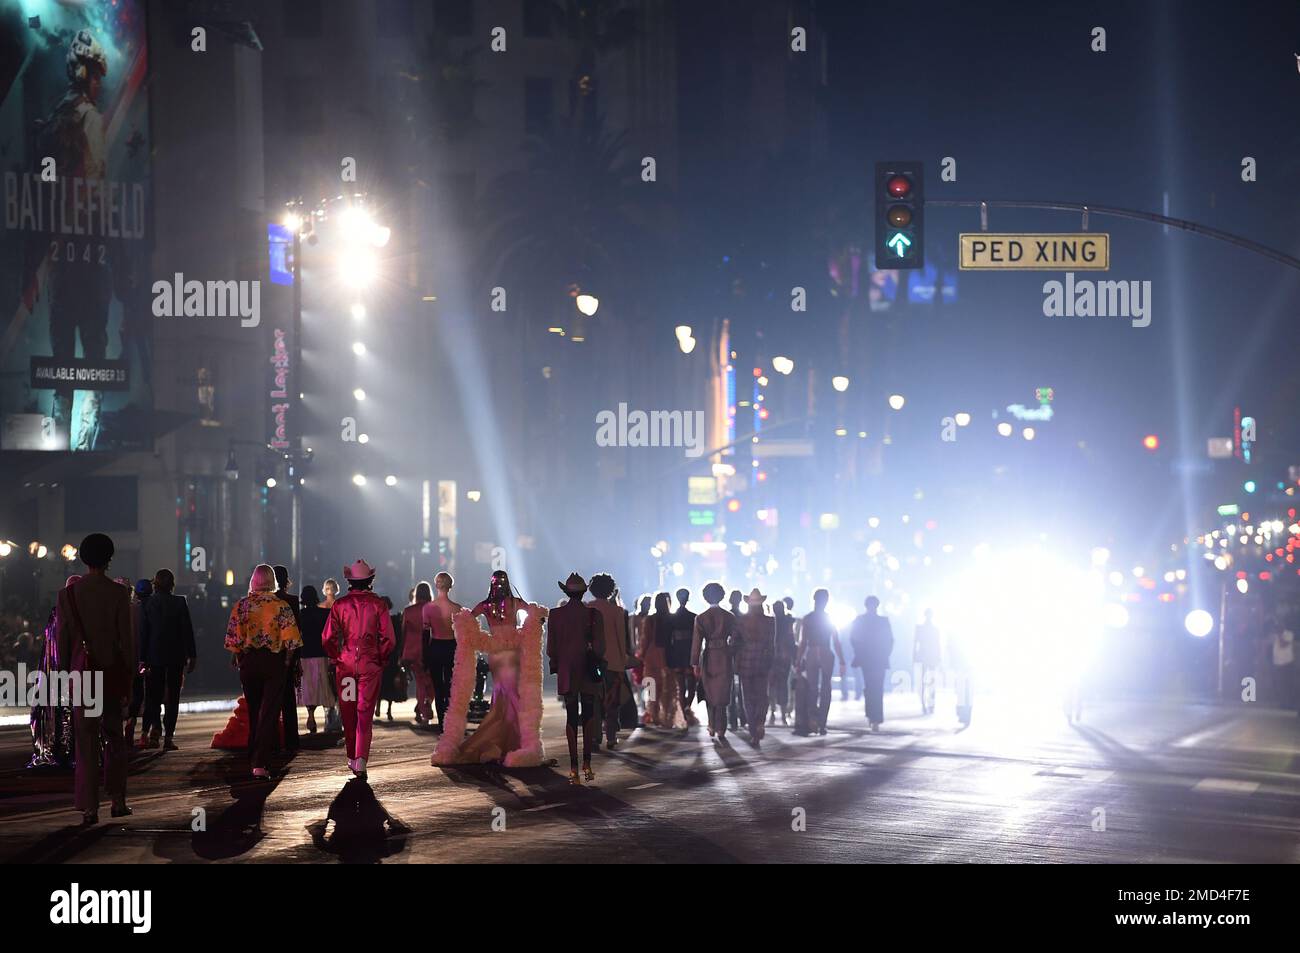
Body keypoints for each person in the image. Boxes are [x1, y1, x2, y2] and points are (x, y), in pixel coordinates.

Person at [432, 570, 546, 767]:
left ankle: (504, 739)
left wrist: (465, 628)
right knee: (512, 695)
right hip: (512, 653)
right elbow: (535, 614)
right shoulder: (514, 602)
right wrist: (536, 621)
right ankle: (515, 740)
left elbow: (467, 617)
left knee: (502, 695)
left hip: (496, 654)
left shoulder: (486, 605)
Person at [57, 534, 133, 823]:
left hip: (82, 676)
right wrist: (130, 678)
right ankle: (118, 799)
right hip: (111, 673)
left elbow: (63, 640)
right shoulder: (117, 593)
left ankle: (89, 807)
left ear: (82, 559)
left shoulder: (68, 595)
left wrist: (65, 676)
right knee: (115, 738)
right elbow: (126, 640)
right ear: (109, 558)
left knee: (86, 742)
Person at [225, 564, 302, 779]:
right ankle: (260, 762)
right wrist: (287, 662)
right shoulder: (280, 606)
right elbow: (292, 640)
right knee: (268, 714)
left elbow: (233, 639)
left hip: (249, 662)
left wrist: (240, 657)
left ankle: (253, 754)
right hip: (273, 663)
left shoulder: (242, 606)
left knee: (254, 709)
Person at [322, 560, 396, 779]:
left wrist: (336, 656)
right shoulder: (379, 604)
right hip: (369, 665)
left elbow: (328, 637)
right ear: (370, 580)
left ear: (349, 581)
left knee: (348, 711)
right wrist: (381, 658)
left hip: (345, 666)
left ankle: (352, 757)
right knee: (364, 713)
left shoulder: (339, 605)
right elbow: (389, 639)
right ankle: (361, 759)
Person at [548, 573, 606, 784]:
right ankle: (587, 764)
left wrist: (557, 663)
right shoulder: (594, 615)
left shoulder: (555, 614)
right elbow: (600, 648)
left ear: (566, 592)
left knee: (571, 717)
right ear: (584, 592)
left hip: (566, 670)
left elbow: (551, 648)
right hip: (588, 669)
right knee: (589, 715)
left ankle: (573, 769)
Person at [139, 568, 196, 751]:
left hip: (153, 655)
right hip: (175, 655)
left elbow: (144, 633)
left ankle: (155, 729)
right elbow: (187, 630)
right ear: (172, 584)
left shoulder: (147, 603)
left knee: (153, 696)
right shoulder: (180, 602)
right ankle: (169, 736)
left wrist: (142, 658)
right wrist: (191, 654)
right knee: (173, 696)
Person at [28, 575, 80, 768]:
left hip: (60, 671)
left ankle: (62, 749)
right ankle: (72, 751)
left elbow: (52, 644)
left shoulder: (58, 612)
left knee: (62, 710)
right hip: (76, 668)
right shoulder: (82, 612)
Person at [589, 573, 632, 749]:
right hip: (613, 661)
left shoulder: (587, 609)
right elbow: (621, 639)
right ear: (610, 590)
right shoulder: (617, 611)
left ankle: (595, 736)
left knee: (594, 700)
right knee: (612, 700)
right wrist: (622, 662)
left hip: (592, 660)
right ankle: (612, 737)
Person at [691, 582, 737, 739]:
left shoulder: (701, 618)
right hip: (724, 656)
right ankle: (721, 728)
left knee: (710, 693)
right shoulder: (729, 616)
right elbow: (736, 639)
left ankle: (711, 725)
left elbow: (696, 643)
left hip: (709, 656)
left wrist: (695, 663)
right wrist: (731, 652)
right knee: (723, 693)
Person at [795, 589, 844, 736]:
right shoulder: (829, 619)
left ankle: (813, 720)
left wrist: (798, 660)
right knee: (825, 688)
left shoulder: (808, 618)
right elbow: (836, 641)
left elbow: (803, 642)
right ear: (826, 601)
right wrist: (842, 660)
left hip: (811, 652)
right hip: (825, 652)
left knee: (812, 688)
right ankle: (822, 723)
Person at [421, 572, 462, 731]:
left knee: (438, 688)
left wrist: (424, 657)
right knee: (451, 686)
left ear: (436, 584)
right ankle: (451, 721)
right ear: (450, 586)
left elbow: (425, 635)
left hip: (435, 648)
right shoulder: (457, 608)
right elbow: (461, 635)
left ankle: (442, 724)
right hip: (452, 648)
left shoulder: (428, 608)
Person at [736, 589, 775, 747]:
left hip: (745, 661)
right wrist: (771, 664)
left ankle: (754, 731)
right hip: (762, 661)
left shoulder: (742, 620)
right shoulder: (769, 621)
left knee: (748, 699)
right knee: (762, 697)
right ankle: (760, 722)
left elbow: (735, 642)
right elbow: (772, 645)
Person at [850, 596, 894, 732]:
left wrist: (859, 653)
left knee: (869, 687)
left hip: (867, 659)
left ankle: (871, 716)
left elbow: (853, 638)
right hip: (878, 659)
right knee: (876, 688)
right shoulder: (883, 621)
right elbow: (890, 640)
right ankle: (875, 718)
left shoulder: (860, 620)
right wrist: (885, 654)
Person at [297, 585, 337, 734]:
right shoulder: (326, 613)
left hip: (306, 654)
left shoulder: (300, 615)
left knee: (309, 686)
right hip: (322, 653)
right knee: (325, 686)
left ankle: (311, 716)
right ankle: (330, 717)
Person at [272, 566, 302, 753]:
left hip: (269, 653)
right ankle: (291, 740)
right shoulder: (291, 600)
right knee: (288, 699)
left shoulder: (265, 601)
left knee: (271, 700)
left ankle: (274, 740)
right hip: (288, 653)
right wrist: (297, 659)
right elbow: (296, 631)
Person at [638, 593, 678, 728]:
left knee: (653, 689)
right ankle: (667, 717)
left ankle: (654, 715)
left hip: (652, 656)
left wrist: (641, 655)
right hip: (669, 656)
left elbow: (645, 640)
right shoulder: (672, 619)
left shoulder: (650, 620)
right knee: (669, 689)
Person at [402, 582, 435, 725]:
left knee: (420, 682)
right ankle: (427, 704)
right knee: (431, 682)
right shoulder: (434, 609)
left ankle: (423, 711)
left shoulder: (408, 611)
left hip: (412, 651)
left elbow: (403, 632)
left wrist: (401, 654)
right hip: (430, 648)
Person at [669, 588, 699, 726]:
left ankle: (683, 710)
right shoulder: (693, 616)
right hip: (689, 652)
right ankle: (687, 707)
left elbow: (669, 638)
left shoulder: (672, 617)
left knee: (680, 686)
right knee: (691, 684)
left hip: (676, 653)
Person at [125, 578, 150, 749]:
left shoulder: (111, 610)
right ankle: (137, 726)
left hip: (120, 660)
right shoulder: (139, 609)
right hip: (140, 658)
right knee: (140, 692)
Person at [375, 595, 406, 721]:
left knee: (381, 683)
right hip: (388, 656)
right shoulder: (394, 620)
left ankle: (381, 707)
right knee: (388, 683)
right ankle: (386, 709)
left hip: (383, 656)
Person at [768, 598, 796, 726]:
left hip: (774, 657)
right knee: (783, 686)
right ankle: (782, 713)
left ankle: (774, 712)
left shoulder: (770, 621)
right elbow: (791, 639)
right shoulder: (788, 621)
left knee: (773, 685)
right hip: (783, 657)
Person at [913, 608, 941, 716]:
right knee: (926, 682)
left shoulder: (930, 629)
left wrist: (939, 657)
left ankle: (929, 704)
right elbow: (915, 643)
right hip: (927, 657)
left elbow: (937, 644)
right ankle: (926, 704)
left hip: (928, 657)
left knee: (930, 682)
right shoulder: (923, 628)